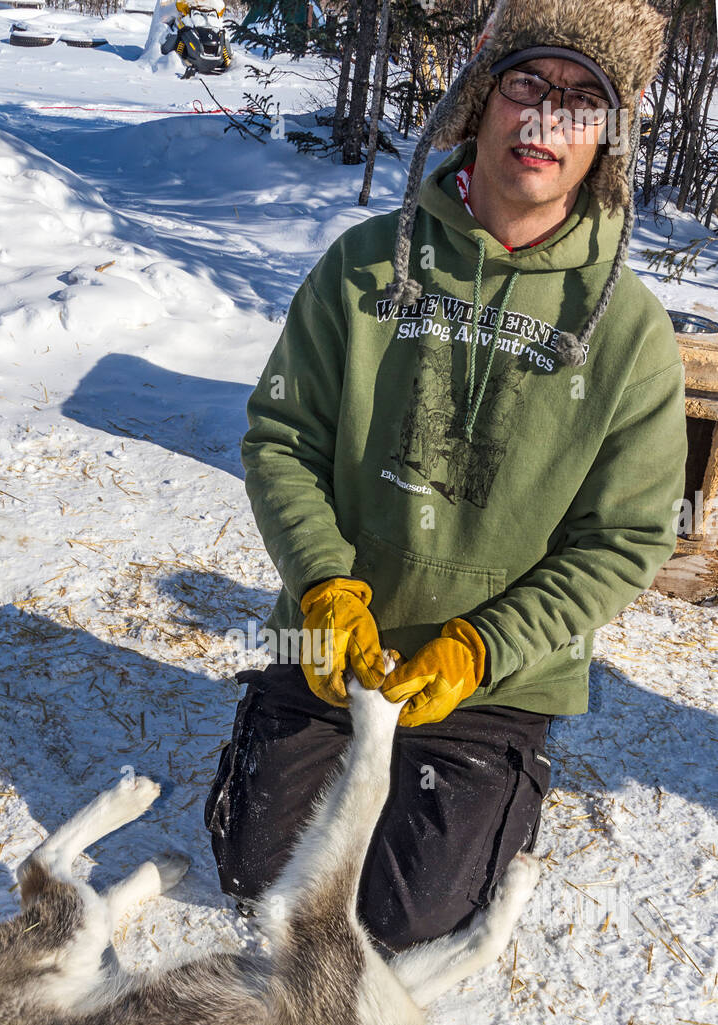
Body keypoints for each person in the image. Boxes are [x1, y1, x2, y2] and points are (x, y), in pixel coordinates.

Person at [204, 0, 688, 954]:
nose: (545, 120)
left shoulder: (629, 330)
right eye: (527, 85)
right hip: (334, 631)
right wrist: (323, 584)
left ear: (606, 144)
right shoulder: (361, 266)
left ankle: (499, 777)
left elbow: (625, 539)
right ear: (481, 103)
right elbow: (281, 439)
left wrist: (481, 644)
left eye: (580, 103)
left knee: (409, 918)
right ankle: (294, 723)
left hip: (494, 672)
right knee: (256, 876)